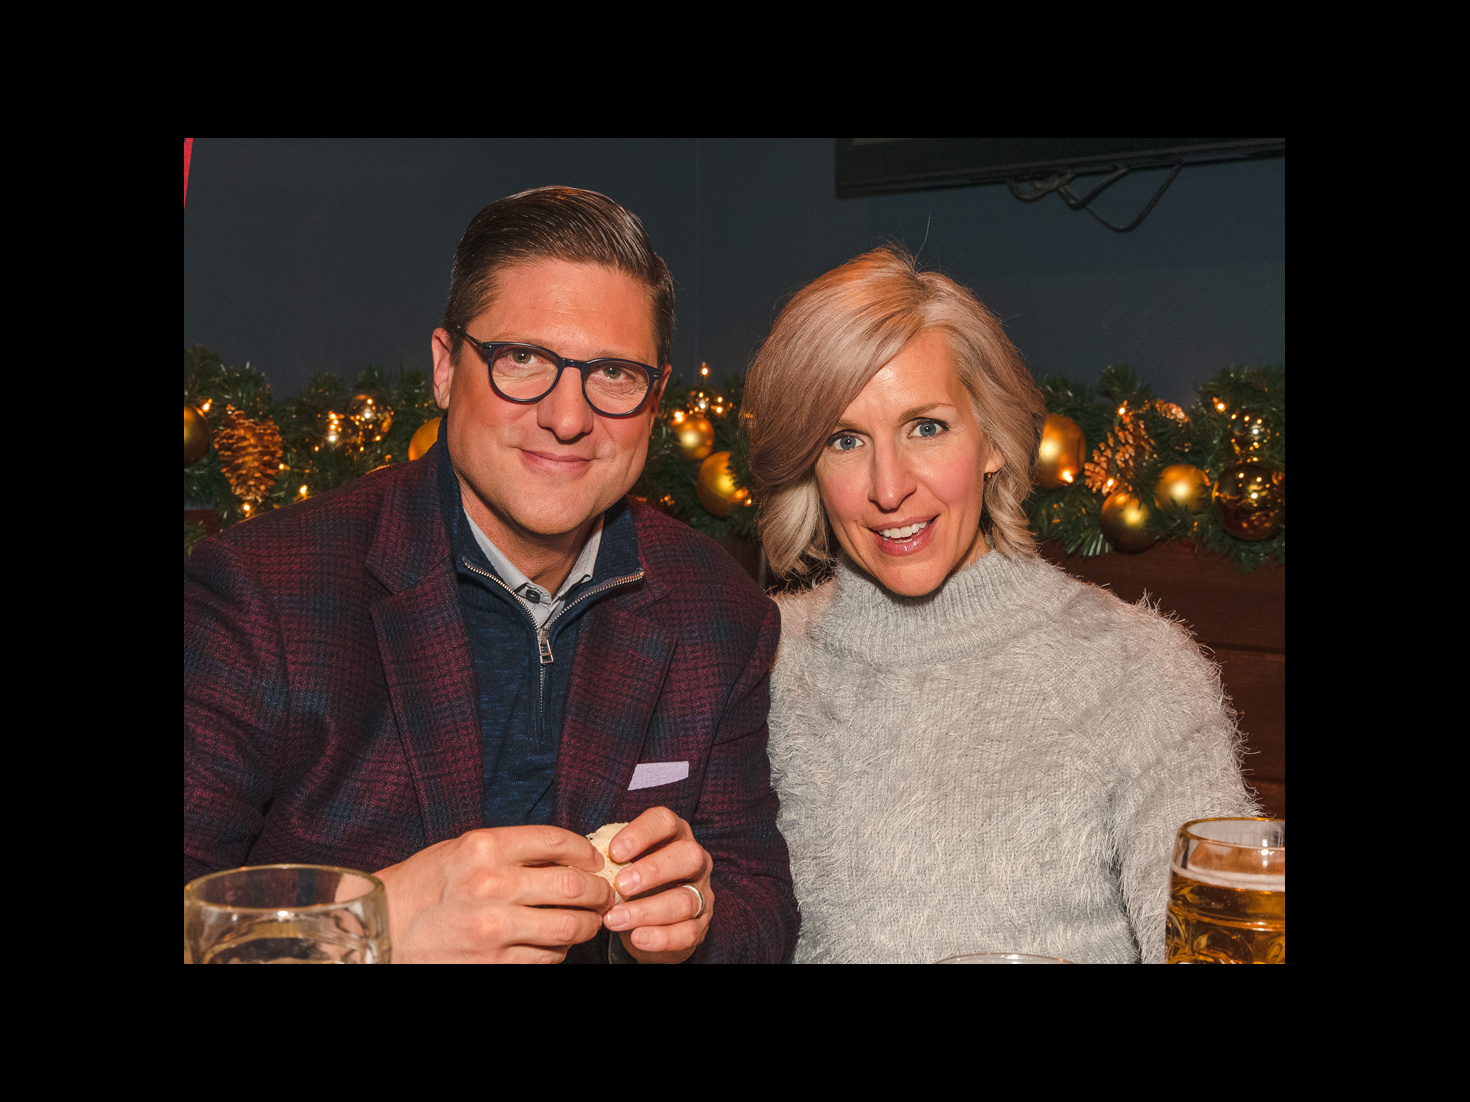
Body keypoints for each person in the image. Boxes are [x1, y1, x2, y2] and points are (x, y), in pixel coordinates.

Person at [185, 186, 797, 964]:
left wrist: (697, 914)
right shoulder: (266, 592)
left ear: (654, 400)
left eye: (613, 373)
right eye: (524, 360)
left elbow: (761, 904)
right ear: (446, 369)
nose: (568, 417)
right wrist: (374, 923)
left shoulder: (720, 611)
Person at [742, 247, 1258, 964]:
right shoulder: (756, 664)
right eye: (845, 439)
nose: (889, 488)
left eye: (927, 427)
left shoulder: (1137, 670)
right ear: (808, 462)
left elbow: (1215, 942)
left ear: (990, 438)